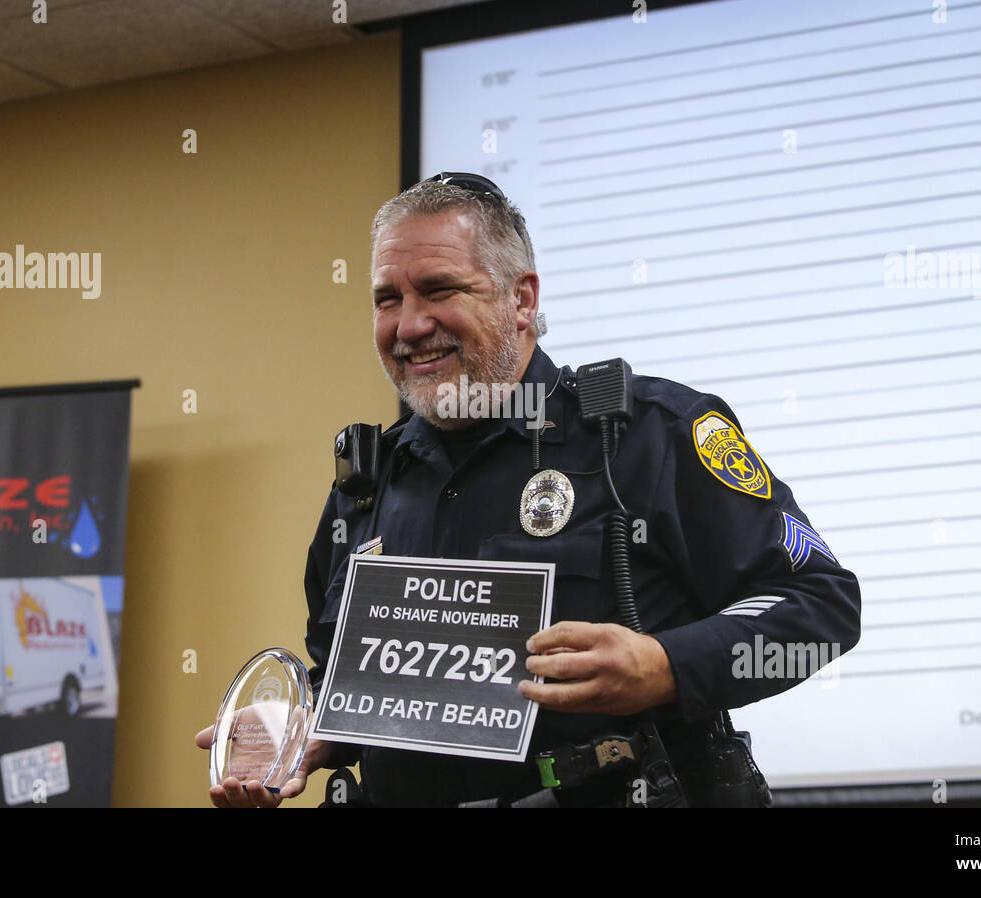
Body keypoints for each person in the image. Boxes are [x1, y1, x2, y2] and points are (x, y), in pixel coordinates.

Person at [197, 172, 861, 807]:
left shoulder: (647, 435)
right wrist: (299, 728)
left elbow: (822, 608)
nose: (409, 326)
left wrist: (665, 664)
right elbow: (339, 670)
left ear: (522, 300)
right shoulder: (366, 484)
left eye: (438, 289)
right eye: (387, 300)